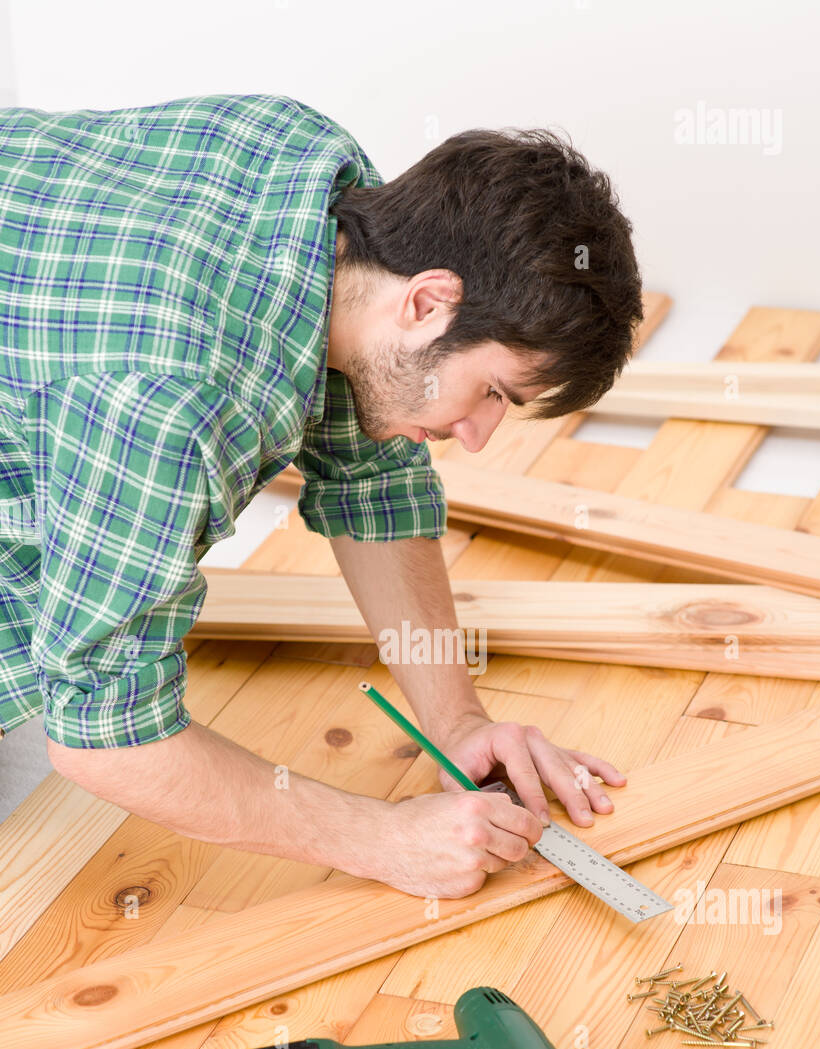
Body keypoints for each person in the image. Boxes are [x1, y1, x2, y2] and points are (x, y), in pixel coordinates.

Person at [0, 94, 643, 898]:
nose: (478, 436)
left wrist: (459, 726)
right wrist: (382, 838)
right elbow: (106, 738)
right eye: (493, 394)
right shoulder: (169, 399)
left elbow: (373, 484)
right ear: (427, 302)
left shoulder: (308, 167)